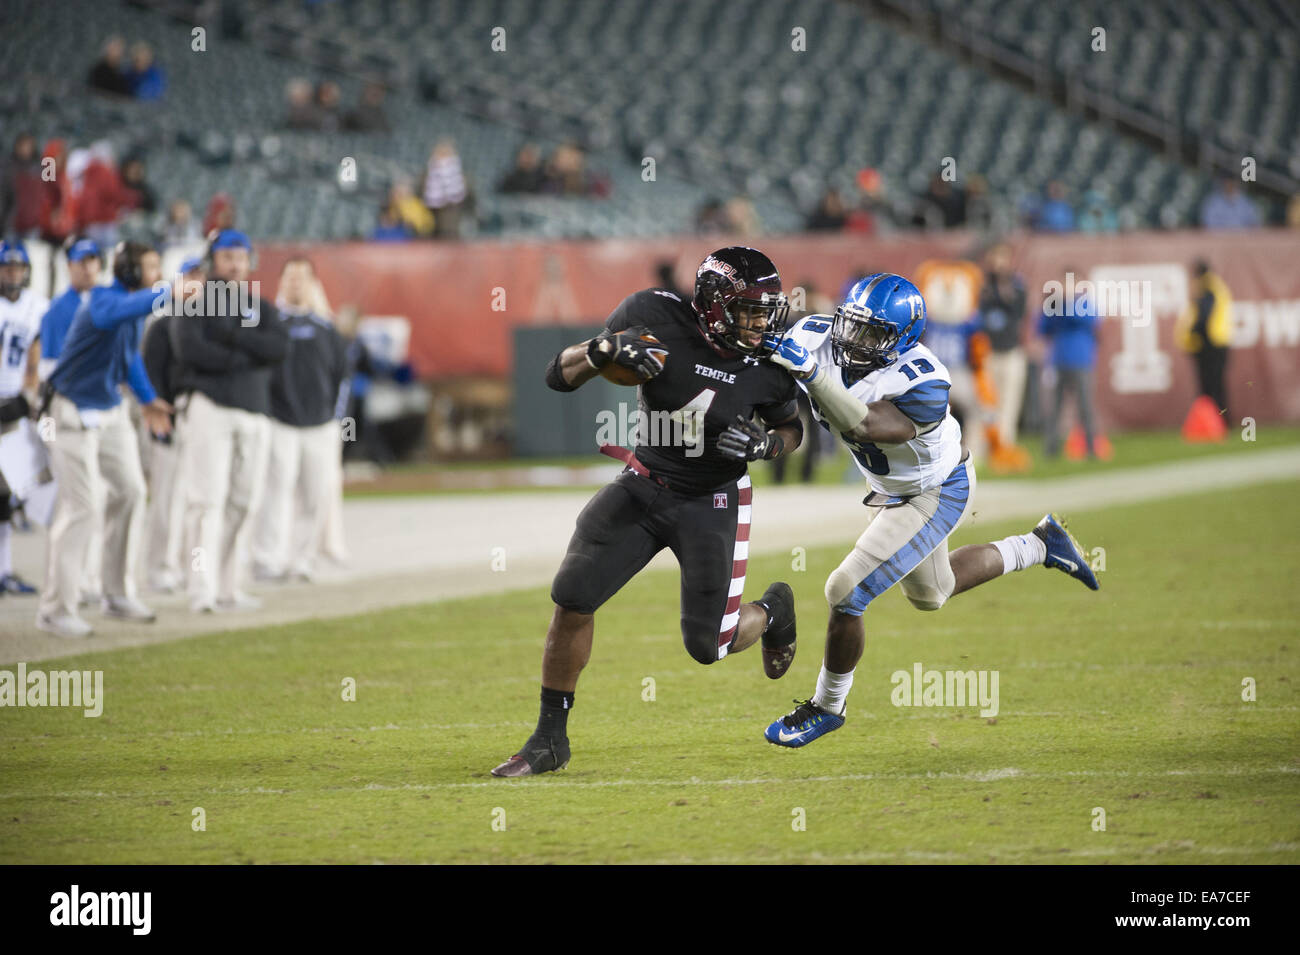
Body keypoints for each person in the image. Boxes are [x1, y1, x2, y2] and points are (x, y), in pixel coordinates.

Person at [490, 247, 806, 777]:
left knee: (710, 645)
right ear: (713, 305)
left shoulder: (770, 361)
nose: (759, 323)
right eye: (747, 310)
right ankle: (549, 740)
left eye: (765, 309)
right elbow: (556, 375)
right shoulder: (653, 314)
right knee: (572, 596)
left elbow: (791, 429)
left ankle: (773, 610)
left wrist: (767, 445)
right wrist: (599, 351)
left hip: (713, 499)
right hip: (644, 483)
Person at [760, 274, 1100, 747]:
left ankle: (827, 705)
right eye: (851, 325)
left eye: (870, 333)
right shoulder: (817, 337)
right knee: (932, 593)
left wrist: (813, 376)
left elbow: (866, 424)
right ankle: (1040, 545)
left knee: (845, 591)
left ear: (898, 341)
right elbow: (768, 345)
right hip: (888, 487)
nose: (853, 340)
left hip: (936, 491)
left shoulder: (923, 380)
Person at [37, 240, 173, 637]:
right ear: (130, 271)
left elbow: (129, 356)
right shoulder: (101, 299)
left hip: (109, 408)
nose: (156, 274)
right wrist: (168, 292)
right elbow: (120, 312)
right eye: (150, 267)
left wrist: (148, 400)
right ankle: (56, 608)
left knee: (131, 491)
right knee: (82, 508)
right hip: (72, 408)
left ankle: (116, 593)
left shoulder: (129, 306)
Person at [170, 229, 288, 613]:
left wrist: (233, 338)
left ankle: (227, 586)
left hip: (254, 410)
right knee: (205, 501)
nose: (235, 265)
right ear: (213, 261)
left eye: (241, 257)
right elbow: (189, 351)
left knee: (244, 502)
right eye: (227, 257)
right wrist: (244, 355)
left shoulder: (260, 306)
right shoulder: (196, 301)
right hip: (211, 406)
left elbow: (279, 348)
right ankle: (199, 588)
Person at [251, 258, 348, 582]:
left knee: (315, 496)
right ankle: (267, 559)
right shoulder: (270, 323)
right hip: (281, 422)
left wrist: (335, 419)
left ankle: (303, 559)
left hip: (319, 425)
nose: (296, 283)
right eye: (290, 277)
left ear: (311, 283)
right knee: (275, 493)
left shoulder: (326, 328)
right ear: (281, 281)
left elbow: (341, 377)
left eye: (302, 278)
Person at [139, 256, 205, 594]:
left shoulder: (213, 321)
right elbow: (151, 375)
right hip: (171, 418)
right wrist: (158, 419)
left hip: (202, 423)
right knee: (167, 500)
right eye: (191, 275)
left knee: (197, 502)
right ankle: (160, 568)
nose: (197, 281)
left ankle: (187, 566)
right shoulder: (164, 323)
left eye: (201, 275)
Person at [0, 241, 47, 597]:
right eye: (7, 267)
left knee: (8, 496)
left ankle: (4, 570)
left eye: (19, 267)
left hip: (16, 406)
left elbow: (39, 355)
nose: (13, 273)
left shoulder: (37, 307)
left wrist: (29, 397)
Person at [1038, 271, 1099, 458]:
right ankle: (1051, 449)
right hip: (1058, 361)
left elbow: (1089, 320)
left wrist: (1068, 303)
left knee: (1085, 407)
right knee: (1054, 408)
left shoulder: (1085, 303)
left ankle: (1091, 447)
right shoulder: (1055, 305)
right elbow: (1043, 328)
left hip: (1081, 361)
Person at [977, 243, 1028, 444]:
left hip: (1011, 351)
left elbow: (1020, 310)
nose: (999, 263)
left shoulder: (1016, 284)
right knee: (986, 403)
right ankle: (983, 446)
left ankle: (1005, 446)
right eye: (996, 258)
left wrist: (1004, 288)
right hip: (988, 353)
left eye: (1003, 258)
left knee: (1009, 404)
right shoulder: (983, 285)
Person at [1177, 260, 1233, 420]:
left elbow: (1203, 315)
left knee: (1210, 386)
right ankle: (1219, 420)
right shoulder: (1216, 286)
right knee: (1216, 385)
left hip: (1211, 343)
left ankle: (1216, 421)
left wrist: (1193, 332)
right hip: (1218, 341)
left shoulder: (1207, 287)